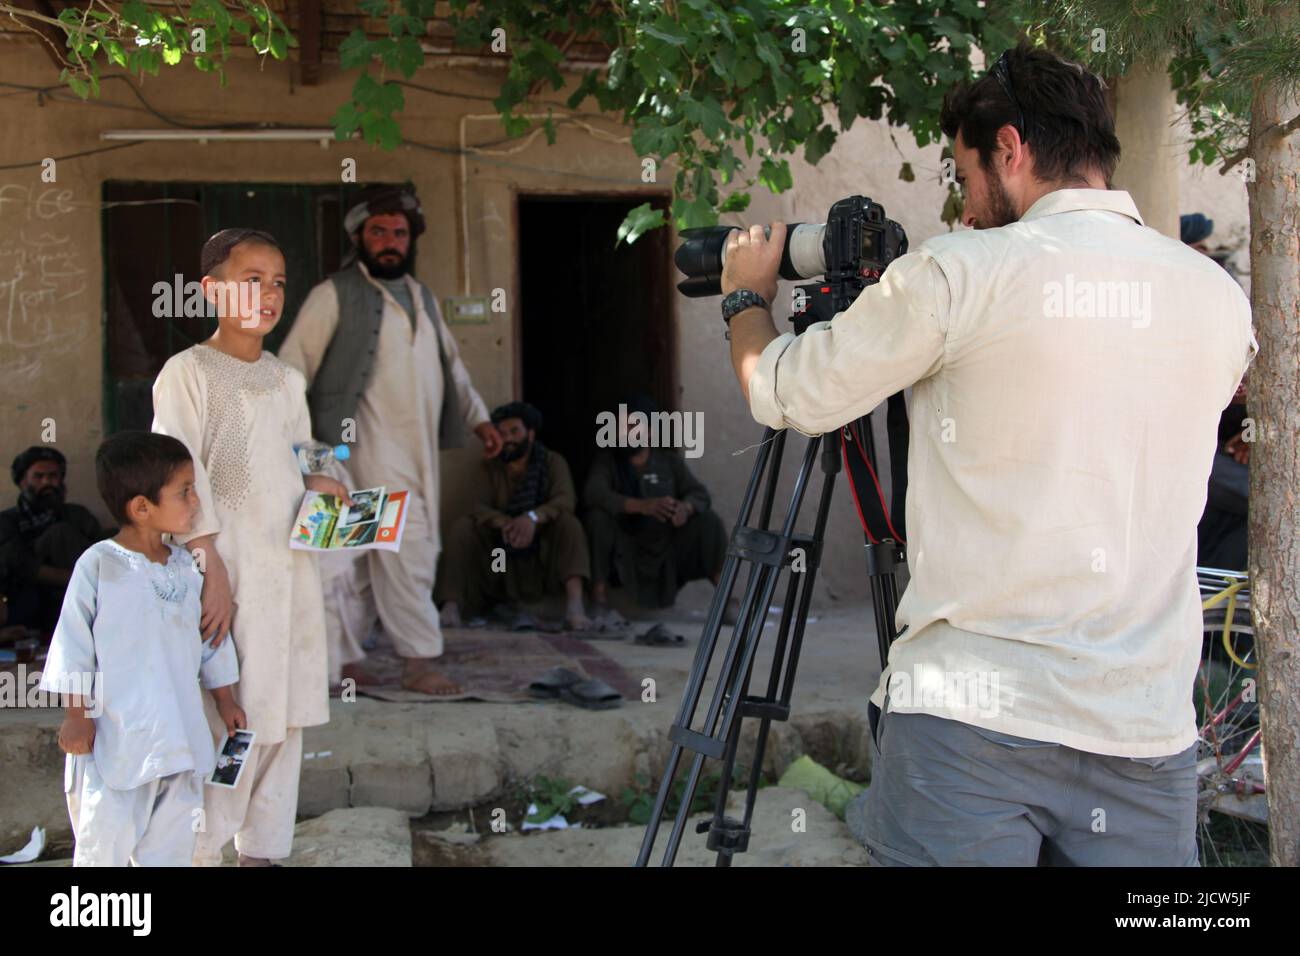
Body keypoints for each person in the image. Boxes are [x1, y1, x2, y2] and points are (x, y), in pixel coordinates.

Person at [722, 44, 1256, 865]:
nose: (967, 206)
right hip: (1144, 728)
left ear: (1010, 149)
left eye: (967, 175)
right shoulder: (1218, 300)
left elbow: (786, 391)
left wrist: (746, 299)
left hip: (970, 724)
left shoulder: (954, 274)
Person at [152, 228, 344, 866]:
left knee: (281, 716)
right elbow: (179, 477)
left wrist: (324, 477)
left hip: (288, 572)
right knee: (230, 718)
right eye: (250, 279)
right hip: (225, 571)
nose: (267, 294)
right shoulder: (187, 373)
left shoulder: (287, 379)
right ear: (211, 290)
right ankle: (201, 851)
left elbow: (305, 452)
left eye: (278, 282)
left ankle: (261, 853)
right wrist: (212, 571)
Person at [279, 186, 502, 696]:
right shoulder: (332, 294)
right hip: (348, 458)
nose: (389, 241)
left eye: (398, 233)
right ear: (359, 236)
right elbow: (290, 371)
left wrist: (480, 421)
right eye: (377, 231)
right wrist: (307, 454)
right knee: (376, 558)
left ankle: (361, 661)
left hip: (415, 453)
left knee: (379, 558)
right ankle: (411, 661)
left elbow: (454, 369)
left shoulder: (423, 298)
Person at [38, 431, 243, 866]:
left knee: (171, 849)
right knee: (103, 849)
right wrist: (77, 715)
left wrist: (226, 701)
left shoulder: (189, 568)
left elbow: (210, 639)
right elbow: (74, 645)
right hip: (115, 741)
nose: (195, 503)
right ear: (142, 507)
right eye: (184, 492)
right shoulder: (99, 565)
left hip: (179, 739)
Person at [436, 401, 594, 630]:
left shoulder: (552, 462)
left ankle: (575, 608)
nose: (508, 439)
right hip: (500, 555)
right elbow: (478, 507)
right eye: (502, 433)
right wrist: (507, 523)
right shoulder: (490, 467)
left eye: (514, 432)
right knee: (463, 527)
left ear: (530, 434)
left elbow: (564, 500)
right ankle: (451, 607)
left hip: (542, 553)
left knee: (569, 524)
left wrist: (532, 519)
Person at [583, 395, 730, 623]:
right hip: (625, 547)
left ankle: (727, 600)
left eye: (634, 426)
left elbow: (699, 494)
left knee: (708, 522)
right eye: (623, 426)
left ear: (650, 431)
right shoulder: (608, 461)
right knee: (597, 519)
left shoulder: (669, 462)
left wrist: (685, 508)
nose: (627, 432)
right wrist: (641, 506)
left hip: (664, 548)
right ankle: (599, 599)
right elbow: (594, 493)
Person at [0, 447, 103, 634]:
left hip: (79, 594)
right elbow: (21, 565)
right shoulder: (7, 521)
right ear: (23, 482)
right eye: (39, 477)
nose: (47, 482)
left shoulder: (77, 515)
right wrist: (79, 580)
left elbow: (101, 554)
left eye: (53, 476)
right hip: (32, 597)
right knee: (60, 534)